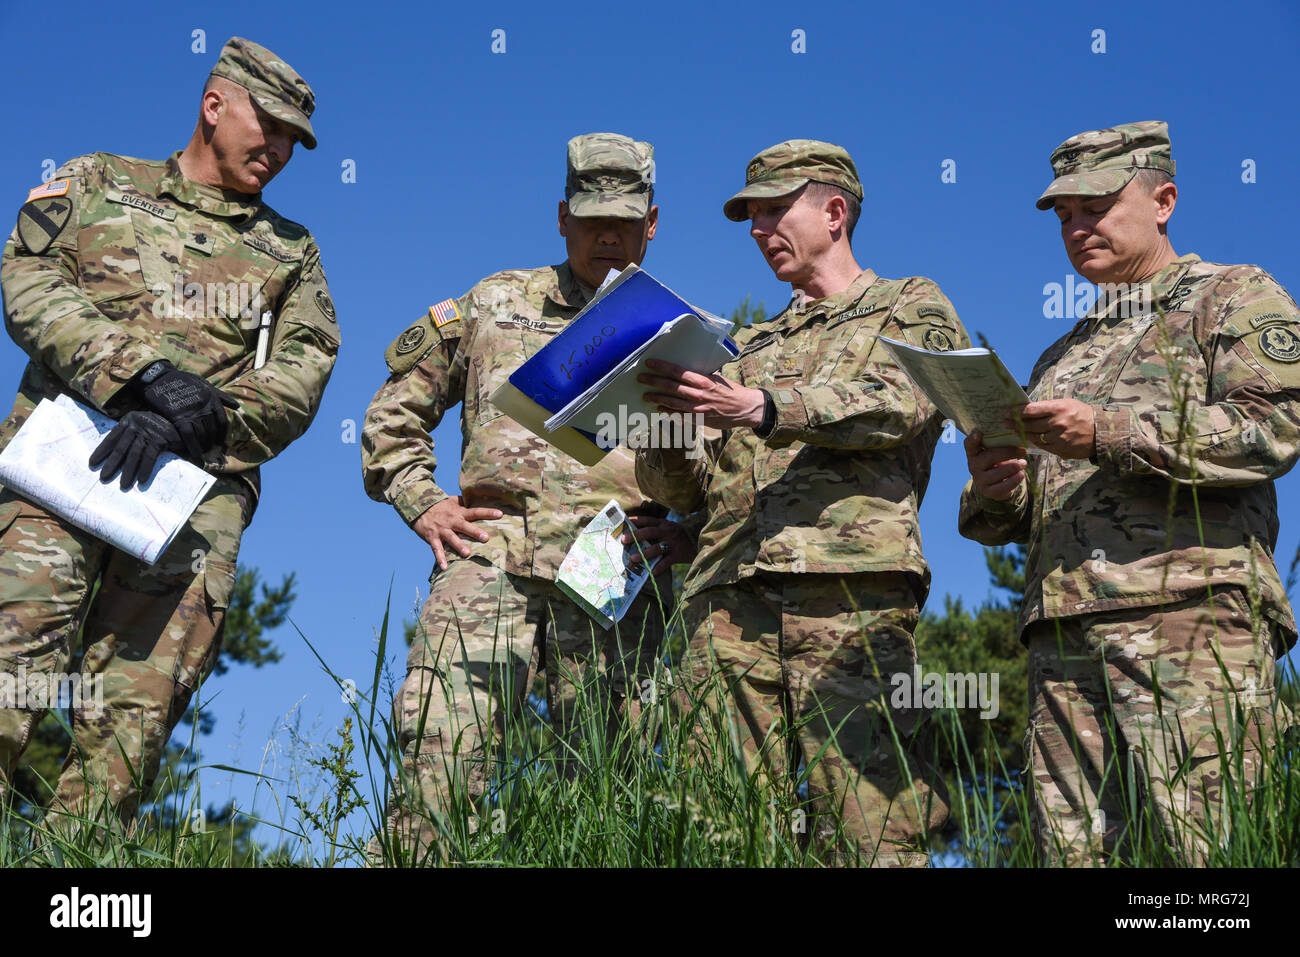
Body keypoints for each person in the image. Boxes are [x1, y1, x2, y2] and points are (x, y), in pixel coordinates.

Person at [0, 37, 339, 830]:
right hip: (61, 470)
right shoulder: (96, 181)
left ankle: (68, 883)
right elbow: (25, 279)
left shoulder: (292, 251)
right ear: (213, 105)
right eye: (272, 126)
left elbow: (307, 366)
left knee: (130, 728)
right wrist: (140, 378)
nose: (282, 150)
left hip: (193, 501)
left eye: (296, 140)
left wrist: (202, 415)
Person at [959, 120, 1299, 865]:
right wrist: (996, 487)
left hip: (1189, 626)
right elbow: (1020, 514)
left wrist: (1107, 432)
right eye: (1064, 217)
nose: (1077, 228)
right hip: (1061, 642)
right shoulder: (1061, 353)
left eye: (1096, 207)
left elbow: (1275, 427)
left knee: (1211, 864)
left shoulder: (1231, 295)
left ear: (1164, 199)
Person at [361, 132, 692, 863]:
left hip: (617, 568)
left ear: (654, 223)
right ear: (562, 218)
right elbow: (393, 413)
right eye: (591, 218)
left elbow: (724, 466)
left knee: (610, 790)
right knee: (437, 769)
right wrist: (422, 500)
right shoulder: (492, 302)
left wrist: (691, 533)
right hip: (489, 560)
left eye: (625, 222)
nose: (608, 235)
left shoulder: (678, 335)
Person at [635, 140, 965, 866]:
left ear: (835, 211)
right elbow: (687, 488)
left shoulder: (907, 304)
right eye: (751, 218)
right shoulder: (743, 348)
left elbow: (904, 403)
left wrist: (766, 406)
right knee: (722, 828)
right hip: (724, 607)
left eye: (774, 211)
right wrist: (660, 418)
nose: (759, 230)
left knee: (869, 828)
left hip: (848, 597)